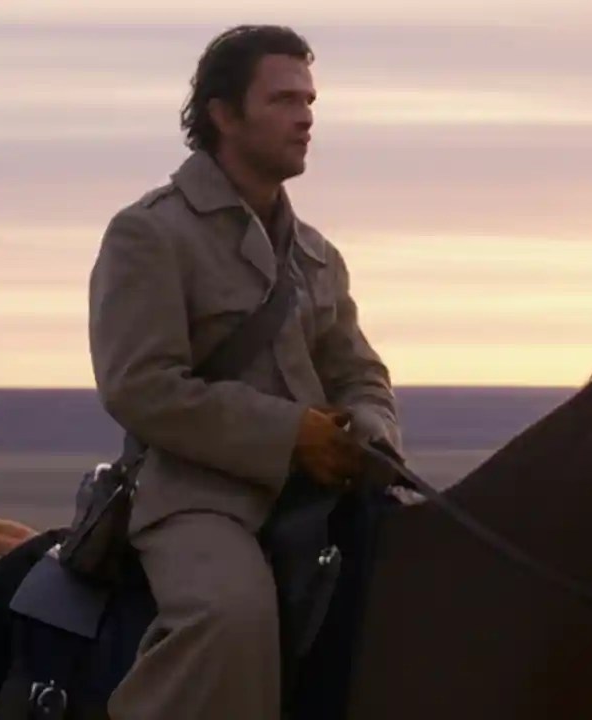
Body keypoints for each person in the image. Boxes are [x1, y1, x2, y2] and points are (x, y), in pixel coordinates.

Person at [87, 24, 401, 720]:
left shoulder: (318, 254)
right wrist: (291, 435)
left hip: (326, 492)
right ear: (224, 115)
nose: (306, 117)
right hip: (198, 497)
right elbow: (139, 385)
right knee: (229, 619)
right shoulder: (150, 232)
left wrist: (371, 431)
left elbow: (359, 373)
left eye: (310, 100)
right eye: (284, 99)